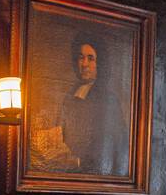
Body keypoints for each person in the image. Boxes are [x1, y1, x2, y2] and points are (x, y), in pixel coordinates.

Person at [54, 36, 128, 175]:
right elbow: (60, 133)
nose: (84, 64)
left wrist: (78, 162)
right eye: (81, 57)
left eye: (91, 58)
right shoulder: (70, 96)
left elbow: (113, 146)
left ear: (100, 63)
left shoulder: (109, 100)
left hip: (94, 175)